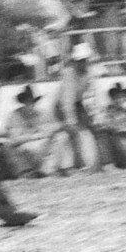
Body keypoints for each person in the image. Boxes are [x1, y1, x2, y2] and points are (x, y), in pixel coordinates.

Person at [53, 42, 99, 174]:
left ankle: (90, 165)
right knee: (70, 133)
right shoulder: (69, 74)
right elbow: (67, 100)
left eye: (84, 60)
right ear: (74, 61)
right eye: (79, 61)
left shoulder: (90, 73)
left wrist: (93, 114)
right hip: (62, 106)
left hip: (78, 104)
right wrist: (71, 120)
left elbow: (92, 96)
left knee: (87, 132)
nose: (82, 63)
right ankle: (67, 167)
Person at [0, 85, 55, 179]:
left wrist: (42, 135)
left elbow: (50, 131)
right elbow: (14, 139)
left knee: (59, 138)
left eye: (32, 103)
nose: (30, 106)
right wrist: (33, 137)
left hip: (40, 150)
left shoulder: (41, 114)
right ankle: (25, 172)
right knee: (6, 146)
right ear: (23, 103)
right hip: (23, 150)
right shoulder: (15, 115)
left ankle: (47, 170)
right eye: (27, 103)